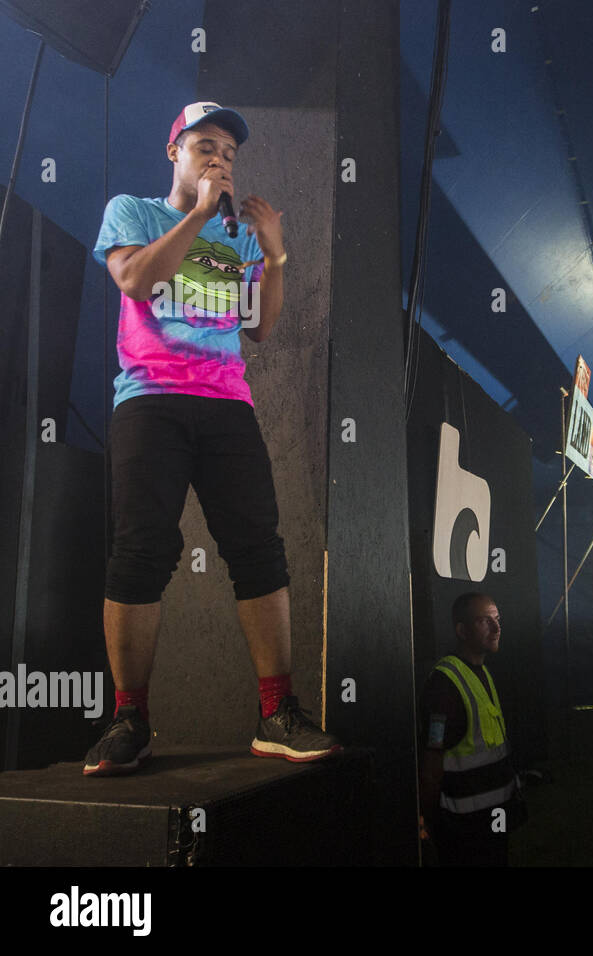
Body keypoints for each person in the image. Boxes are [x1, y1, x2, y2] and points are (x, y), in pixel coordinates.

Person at [84, 103, 337, 775]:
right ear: (174, 151)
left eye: (226, 148)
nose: (218, 157)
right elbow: (136, 280)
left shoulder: (240, 237)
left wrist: (273, 252)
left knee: (258, 549)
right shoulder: (133, 211)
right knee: (141, 550)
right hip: (150, 402)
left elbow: (259, 326)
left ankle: (277, 713)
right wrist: (196, 215)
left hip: (226, 405)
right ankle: (129, 719)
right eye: (204, 145)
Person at [418, 593, 521, 866]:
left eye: (497, 619)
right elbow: (432, 763)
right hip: (465, 833)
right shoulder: (445, 685)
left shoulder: (483, 672)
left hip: (493, 824)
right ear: (462, 630)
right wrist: (427, 823)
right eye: (483, 621)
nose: (496, 628)